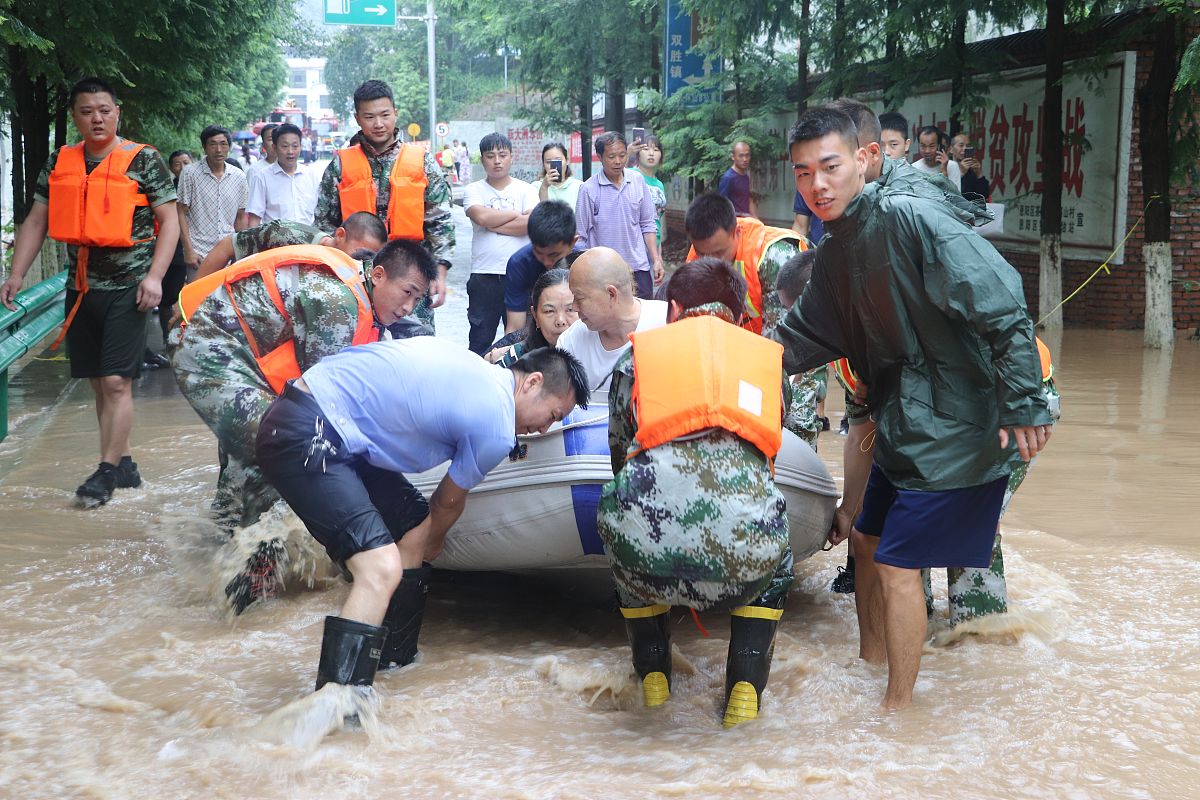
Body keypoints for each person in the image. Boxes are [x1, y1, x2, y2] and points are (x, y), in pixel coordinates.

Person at [772, 106, 1051, 710]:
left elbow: (1002, 297)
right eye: (802, 174)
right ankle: (871, 666)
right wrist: (721, 361)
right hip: (907, 419)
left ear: (866, 159)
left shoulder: (909, 217)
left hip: (967, 418)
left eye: (830, 167)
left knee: (903, 568)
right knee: (867, 542)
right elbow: (797, 339)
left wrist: (1025, 402)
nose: (816, 185)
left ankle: (899, 715)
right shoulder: (840, 242)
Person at [255, 340, 588, 696]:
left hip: (319, 419)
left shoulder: (476, 368)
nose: (543, 431)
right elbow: (446, 501)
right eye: (552, 416)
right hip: (310, 430)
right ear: (532, 382)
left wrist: (427, 536)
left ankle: (395, 663)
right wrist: (436, 542)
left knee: (414, 525)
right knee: (381, 567)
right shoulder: (497, 423)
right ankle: (338, 703)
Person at [599, 256, 792, 728]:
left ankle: (653, 679)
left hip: (647, 562)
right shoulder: (768, 361)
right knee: (775, 561)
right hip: (742, 562)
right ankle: (744, 692)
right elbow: (768, 462)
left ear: (675, 308)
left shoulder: (634, 358)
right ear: (739, 311)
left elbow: (621, 459)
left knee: (627, 516)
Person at [0, 77, 179, 506]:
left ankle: (105, 472)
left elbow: (170, 222)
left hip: (129, 287)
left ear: (118, 112)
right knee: (101, 384)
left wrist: (154, 277)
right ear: (76, 117)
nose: (96, 118)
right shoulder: (59, 162)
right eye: (86, 111)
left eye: (104, 109)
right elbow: (37, 220)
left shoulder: (143, 160)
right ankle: (126, 461)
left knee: (116, 382)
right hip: (80, 287)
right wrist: (15, 274)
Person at [683, 193, 821, 448]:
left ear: (736, 233)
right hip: (747, 347)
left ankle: (800, 482)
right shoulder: (700, 253)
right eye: (703, 254)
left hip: (799, 348)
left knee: (792, 424)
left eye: (719, 253)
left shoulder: (773, 255)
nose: (711, 262)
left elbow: (784, 342)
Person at [314, 79, 453, 331]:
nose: (378, 124)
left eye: (385, 115)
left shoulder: (422, 162)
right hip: (354, 280)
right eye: (369, 117)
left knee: (413, 354)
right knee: (354, 354)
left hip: (409, 281)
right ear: (357, 118)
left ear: (395, 113)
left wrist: (439, 273)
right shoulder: (340, 166)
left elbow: (441, 223)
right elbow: (323, 225)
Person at [463, 132, 539, 353]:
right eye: (490, 155)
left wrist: (494, 223)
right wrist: (516, 214)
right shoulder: (473, 190)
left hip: (521, 276)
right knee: (480, 338)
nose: (497, 160)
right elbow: (481, 217)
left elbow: (530, 224)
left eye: (502, 155)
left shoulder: (527, 189)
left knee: (520, 338)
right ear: (483, 159)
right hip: (484, 275)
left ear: (511, 157)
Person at [556, 247, 668, 392]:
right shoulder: (571, 342)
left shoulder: (669, 323)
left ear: (611, 294)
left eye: (580, 298)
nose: (575, 307)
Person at [575, 132, 664, 301]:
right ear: (600, 157)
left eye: (622, 155)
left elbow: (648, 223)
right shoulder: (588, 189)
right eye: (611, 156)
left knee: (643, 317)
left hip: (638, 267)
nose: (618, 161)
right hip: (604, 271)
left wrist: (656, 259)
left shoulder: (637, 180)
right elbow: (581, 237)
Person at [195, 211, 387, 280]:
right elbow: (228, 245)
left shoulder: (356, 272)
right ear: (340, 235)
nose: (362, 261)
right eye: (359, 252)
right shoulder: (286, 234)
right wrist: (191, 296)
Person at [177, 125, 249, 278]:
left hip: (228, 252)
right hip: (199, 252)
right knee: (198, 298)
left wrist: (241, 251)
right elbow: (181, 213)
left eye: (223, 144)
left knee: (228, 298)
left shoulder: (239, 176)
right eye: (213, 144)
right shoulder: (190, 174)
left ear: (229, 147)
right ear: (204, 147)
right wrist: (188, 250)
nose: (218, 149)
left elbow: (241, 217)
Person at [502, 200, 581, 332]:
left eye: (554, 255)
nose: (547, 262)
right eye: (539, 253)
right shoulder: (519, 263)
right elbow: (515, 325)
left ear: (573, 242)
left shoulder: (584, 262)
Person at [486, 268, 577, 366]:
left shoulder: (595, 356)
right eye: (549, 311)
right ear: (535, 316)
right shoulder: (515, 360)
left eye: (570, 310)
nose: (560, 321)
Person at [246, 123, 319, 226]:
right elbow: (254, 219)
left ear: (301, 147)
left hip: (308, 240)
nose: (290, 151)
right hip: (275, 241)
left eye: (295, 146)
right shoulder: (262, 177)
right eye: (284, 146)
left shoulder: (312, 176)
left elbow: (320, 215)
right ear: (274, 147)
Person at [630, 134, 667, 248]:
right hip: (634, 245)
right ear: (638, 153)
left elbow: (657, 221)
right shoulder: (630, 175)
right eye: (646, 149)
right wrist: (627, 153)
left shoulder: (659, 184)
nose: (651, 153)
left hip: (653, 245)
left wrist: (658, 253)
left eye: (656, 150)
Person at [535, 142, 583, 209]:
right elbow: (540, 215)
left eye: (558, 160)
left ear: (567, 161)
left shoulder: (580, 187)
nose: (554, 166)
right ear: (543, 164)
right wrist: (544, 187)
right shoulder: (535, 187)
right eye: (548, 162)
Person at [718, 141, 755, 217]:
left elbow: (748, 199)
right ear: (733, 157)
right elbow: (721, 207)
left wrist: (757, 220)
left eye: (747, 155)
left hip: (746, 223)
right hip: (733, 223)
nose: (745, 159)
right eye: (741, 156)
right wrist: (742, 215)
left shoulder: (745, 176)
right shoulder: (728, 178)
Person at [951, 132, 990, 199]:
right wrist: (962, 173)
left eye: (968, 146)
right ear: (951, 149)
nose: (964, 149)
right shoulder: (946, 167)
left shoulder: (971, 170)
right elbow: (951, 195)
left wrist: (979, 174)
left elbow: (984, 196)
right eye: (961, 145)